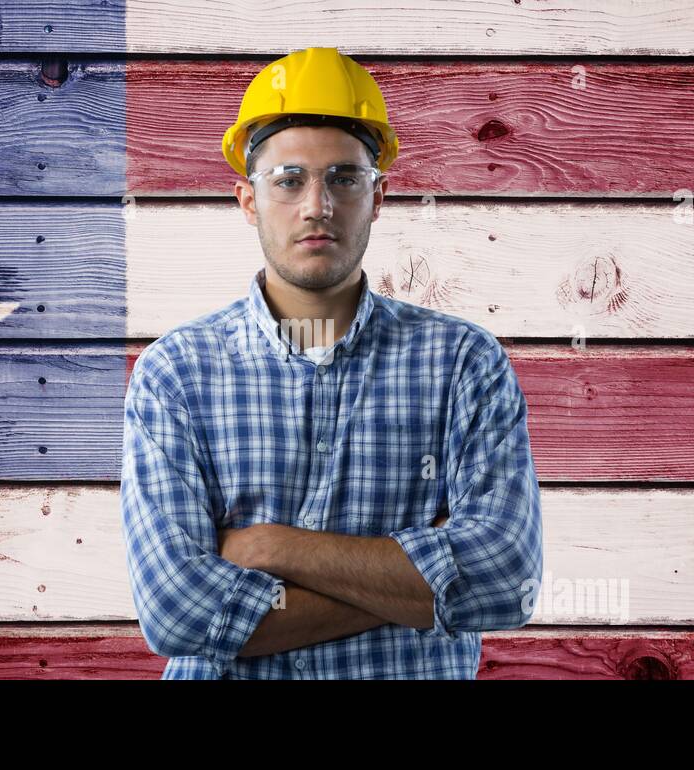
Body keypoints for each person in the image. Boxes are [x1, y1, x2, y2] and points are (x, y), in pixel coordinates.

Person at [120, 47, 543, 679]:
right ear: (247, 200)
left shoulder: (462, 365)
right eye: (288, 180)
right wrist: (418, 590)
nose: (316, 205)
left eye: (343, 178)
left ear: (378, 196)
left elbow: (506, 579)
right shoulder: (176, 374)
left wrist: (272, 547)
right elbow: (176, 612)